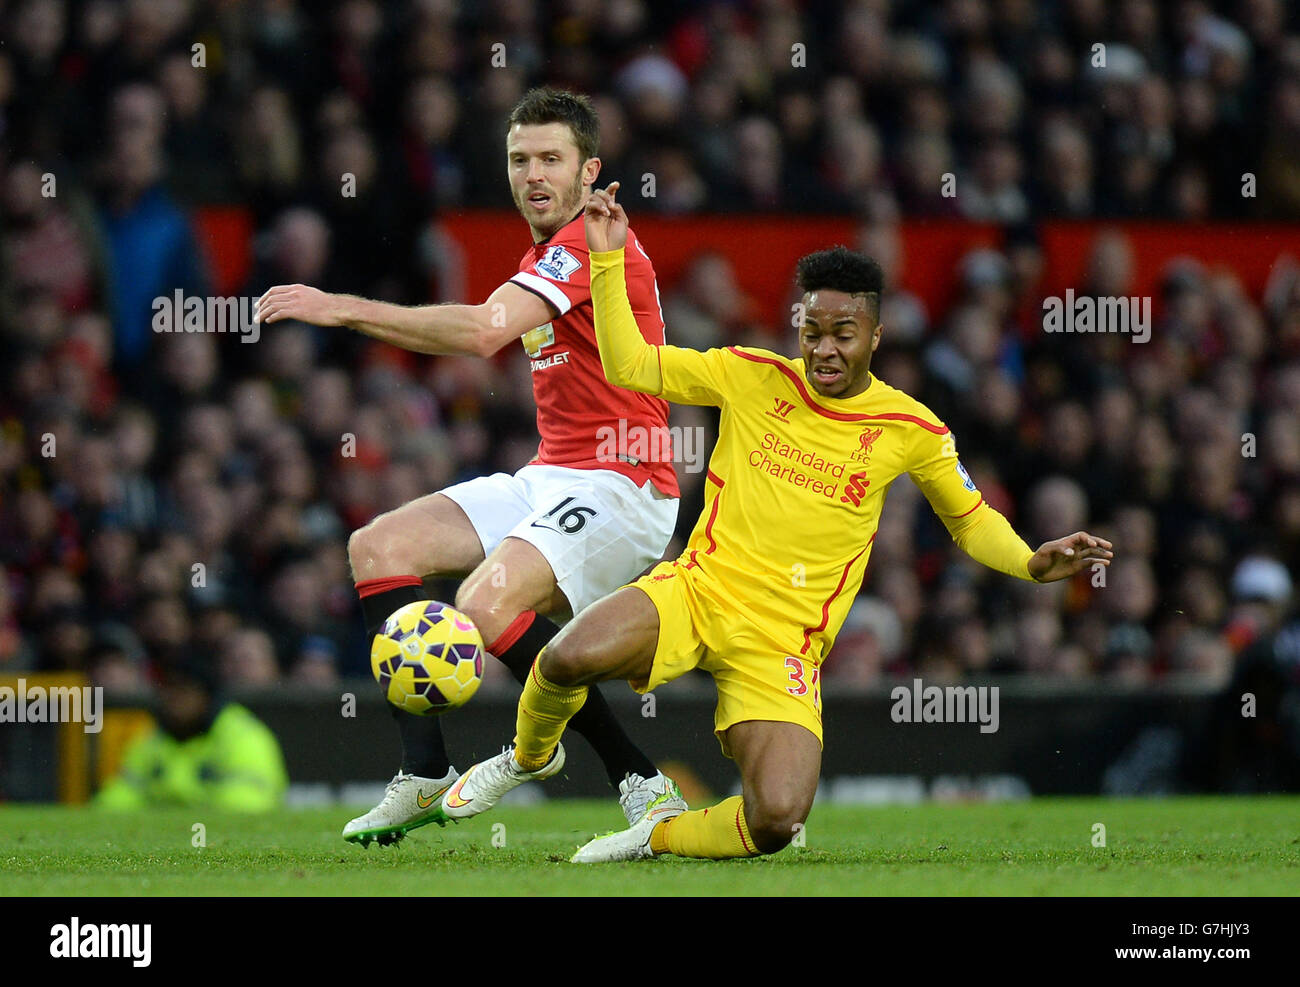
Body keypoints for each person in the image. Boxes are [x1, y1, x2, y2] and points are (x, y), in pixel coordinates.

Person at [439, 183, 1115, 862]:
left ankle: (657, 834)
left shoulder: (912, 428)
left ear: (874, 336)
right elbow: (631, 364)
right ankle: (529, 757)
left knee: (778, 820)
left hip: (785, 642)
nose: (823, 349)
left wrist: (1029, 561)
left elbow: (970, 523)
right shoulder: (752, 375)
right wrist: (608, 261)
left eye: (842, 335)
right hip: (701, 591)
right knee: (566, 656)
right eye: (812, 330)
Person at [254, 90, 686, 845]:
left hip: (627, 485)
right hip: (552, 475)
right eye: (520, 159)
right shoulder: (543, 256)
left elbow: (485, 330)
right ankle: (425, 771)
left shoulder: (589, 240)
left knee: (484, 601)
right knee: (377, 548)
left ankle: (622, 774)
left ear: (590, 171)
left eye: (552, 159)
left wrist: (341, 307)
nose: (534, 174)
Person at [96, 659, 288, 811]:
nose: (174, 700)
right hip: (165, 839)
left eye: (184, 691)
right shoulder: (152, 737)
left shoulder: (243, 736)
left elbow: (249, 802)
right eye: (169, 690)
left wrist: (182, 823)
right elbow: (125, 793)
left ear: (207, 697)